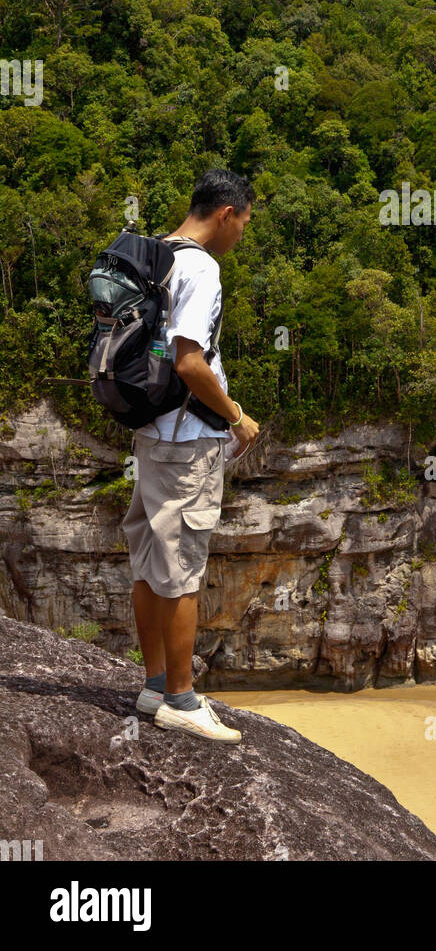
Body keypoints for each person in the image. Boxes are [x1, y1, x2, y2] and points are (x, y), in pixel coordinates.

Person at [121, 169, 259, 743]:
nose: (242, 235)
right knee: (182, 570)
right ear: (226, 213)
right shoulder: (202, 267)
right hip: (188, 442)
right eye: (245, 223)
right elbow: (189, 363)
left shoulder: (157, 253)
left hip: (150, 433)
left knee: (151, 559)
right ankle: (180, 697)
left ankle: (154, 683)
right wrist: (236, 417)